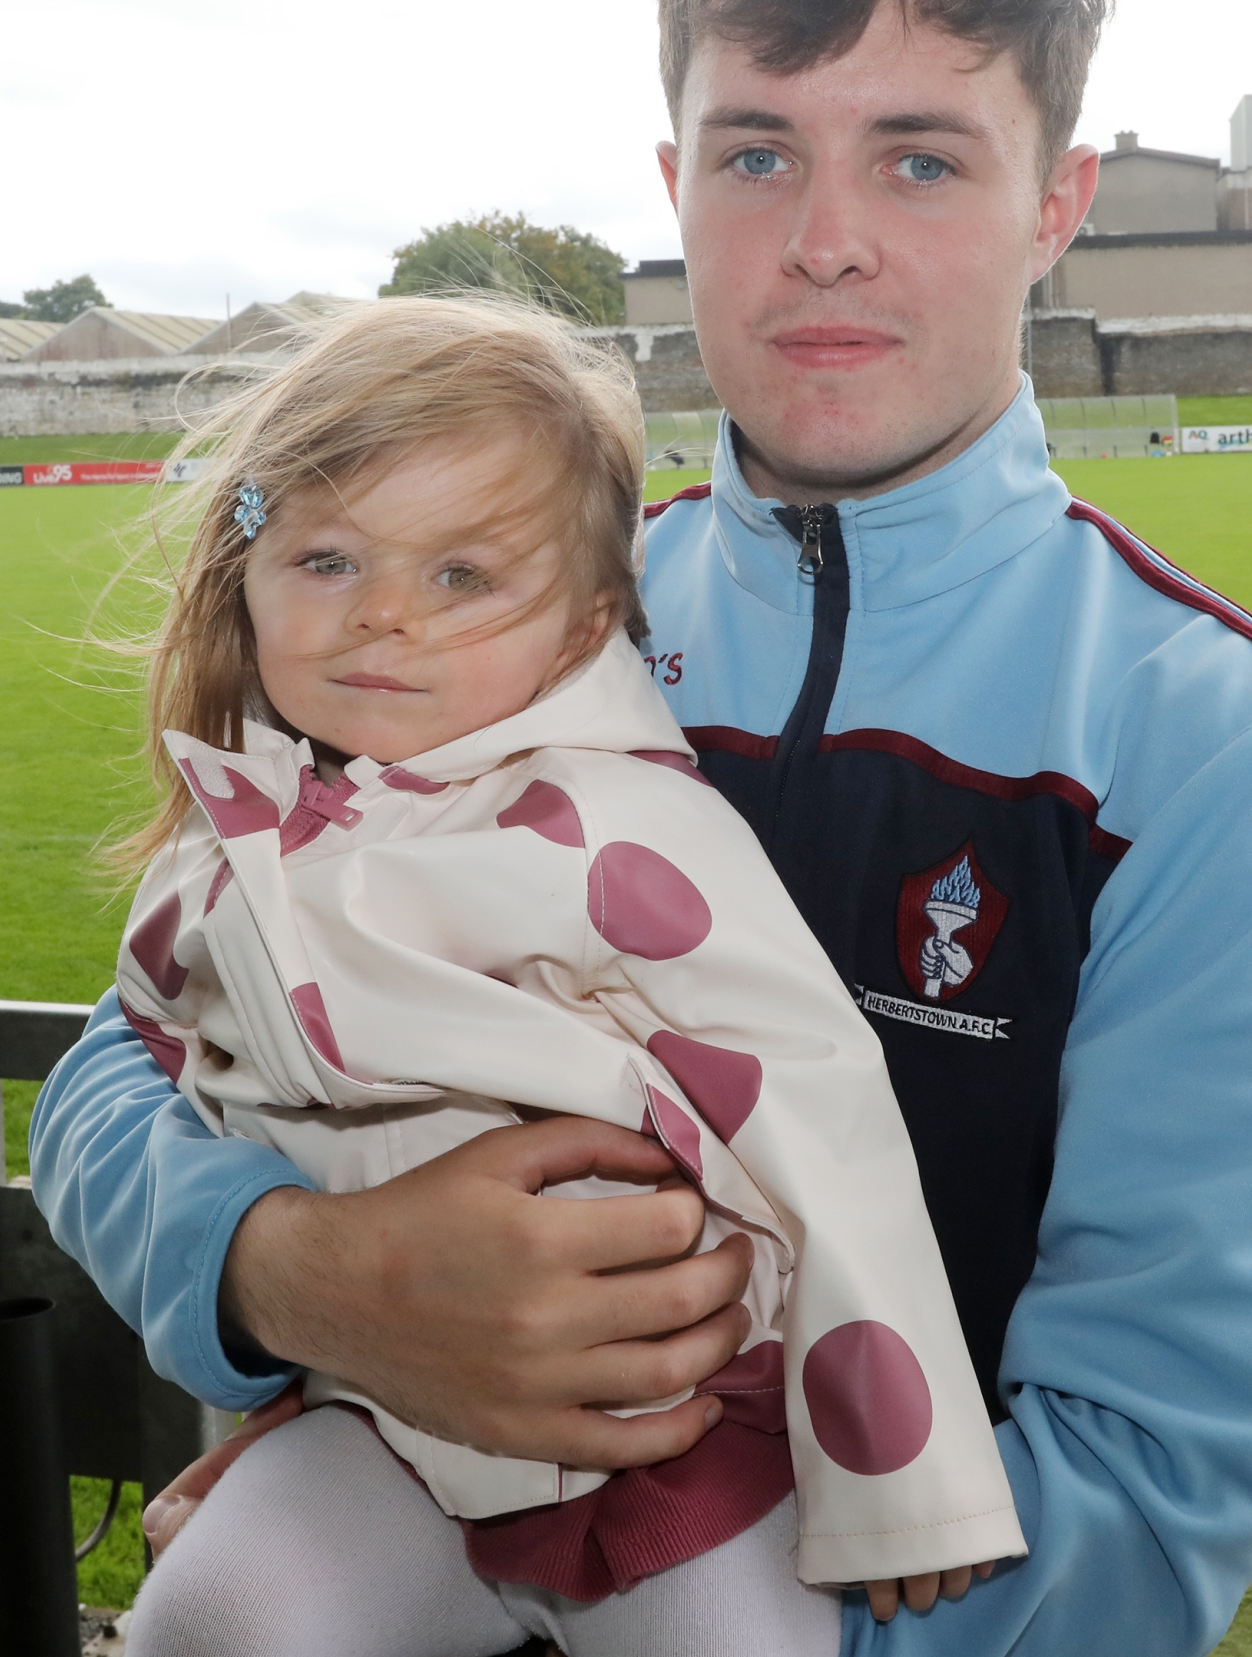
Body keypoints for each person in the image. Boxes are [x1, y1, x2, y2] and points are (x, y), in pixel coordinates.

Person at [31, 0, 1252, 1657]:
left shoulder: (1213, 742)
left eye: (919, 157)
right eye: (757, 153)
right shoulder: (465, 606)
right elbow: (121, 1066)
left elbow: (1147, 1496)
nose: (825, 237)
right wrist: (302, 1282)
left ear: (1059, 203)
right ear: (669, 184)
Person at [99, 294, 1021, 1654]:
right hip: (389, 1425)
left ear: (589, 624)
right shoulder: (246, 824)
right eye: (328, 560)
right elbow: (143, 1059)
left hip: (681, 1444)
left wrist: (906, 1474)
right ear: (244, 571)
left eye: (463, 576)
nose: (385, 620)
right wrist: (282, 1308)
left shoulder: (615, 834)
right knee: (219, 1615)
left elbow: (818, 1111)